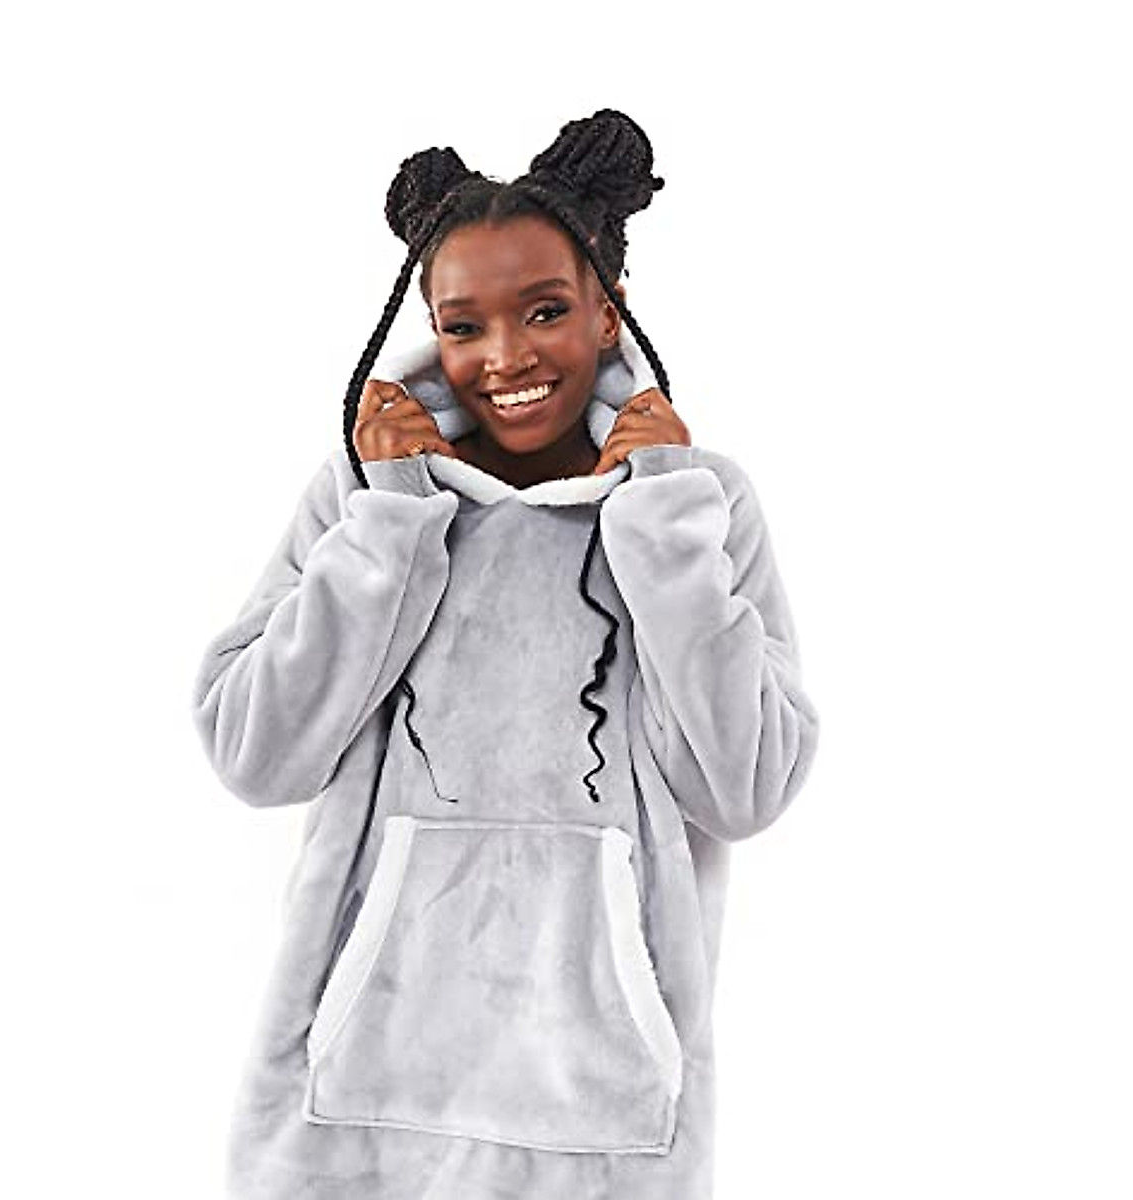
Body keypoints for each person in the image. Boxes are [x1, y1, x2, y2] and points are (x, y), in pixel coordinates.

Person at [191, 108, 820, 1200]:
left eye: (545, 310)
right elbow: (257, 755)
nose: (505, 357)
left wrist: (661, 528)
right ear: (431, 331)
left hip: (606, 1113)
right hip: (354, 1105)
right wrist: (392, 523)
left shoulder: (694, 502)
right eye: (464, 325)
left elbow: (746, 786)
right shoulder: (367, 493)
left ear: (608, 311)